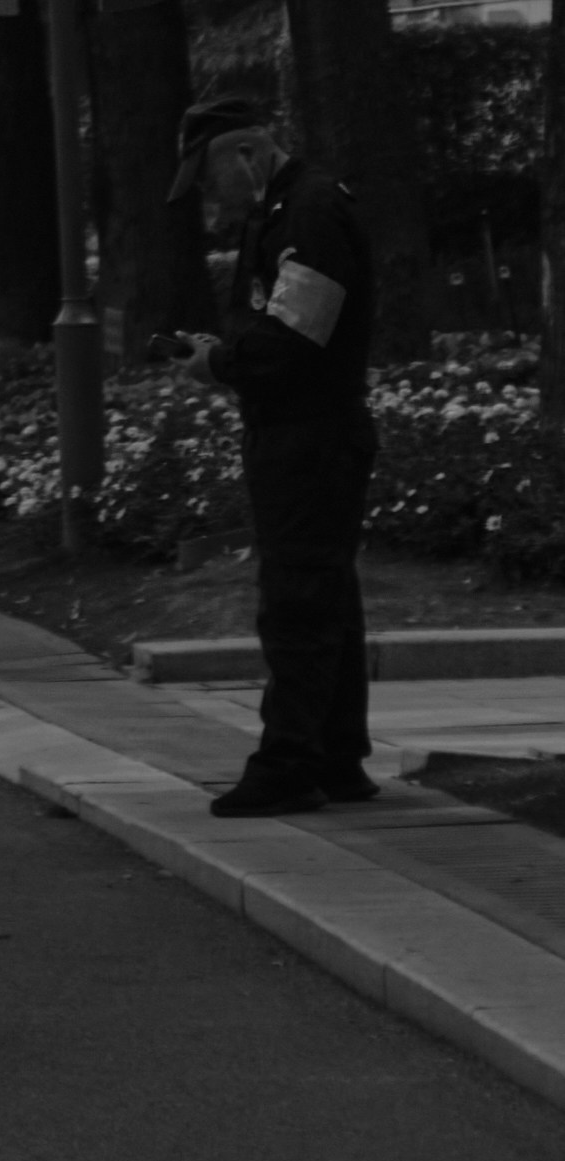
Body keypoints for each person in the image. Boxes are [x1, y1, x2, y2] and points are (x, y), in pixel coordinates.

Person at [181, 79, 378, 814]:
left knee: (297, 599)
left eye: (211, 176)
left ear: (247, 151)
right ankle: (335, 754)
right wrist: (226, 356)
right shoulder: (288, 209)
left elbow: (298, 332)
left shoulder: (311, 209)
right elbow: (288, 322)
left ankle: (290, 762)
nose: (213, 197)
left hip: (310, 435)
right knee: (326, 594)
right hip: (304, 430)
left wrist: (222, 365)